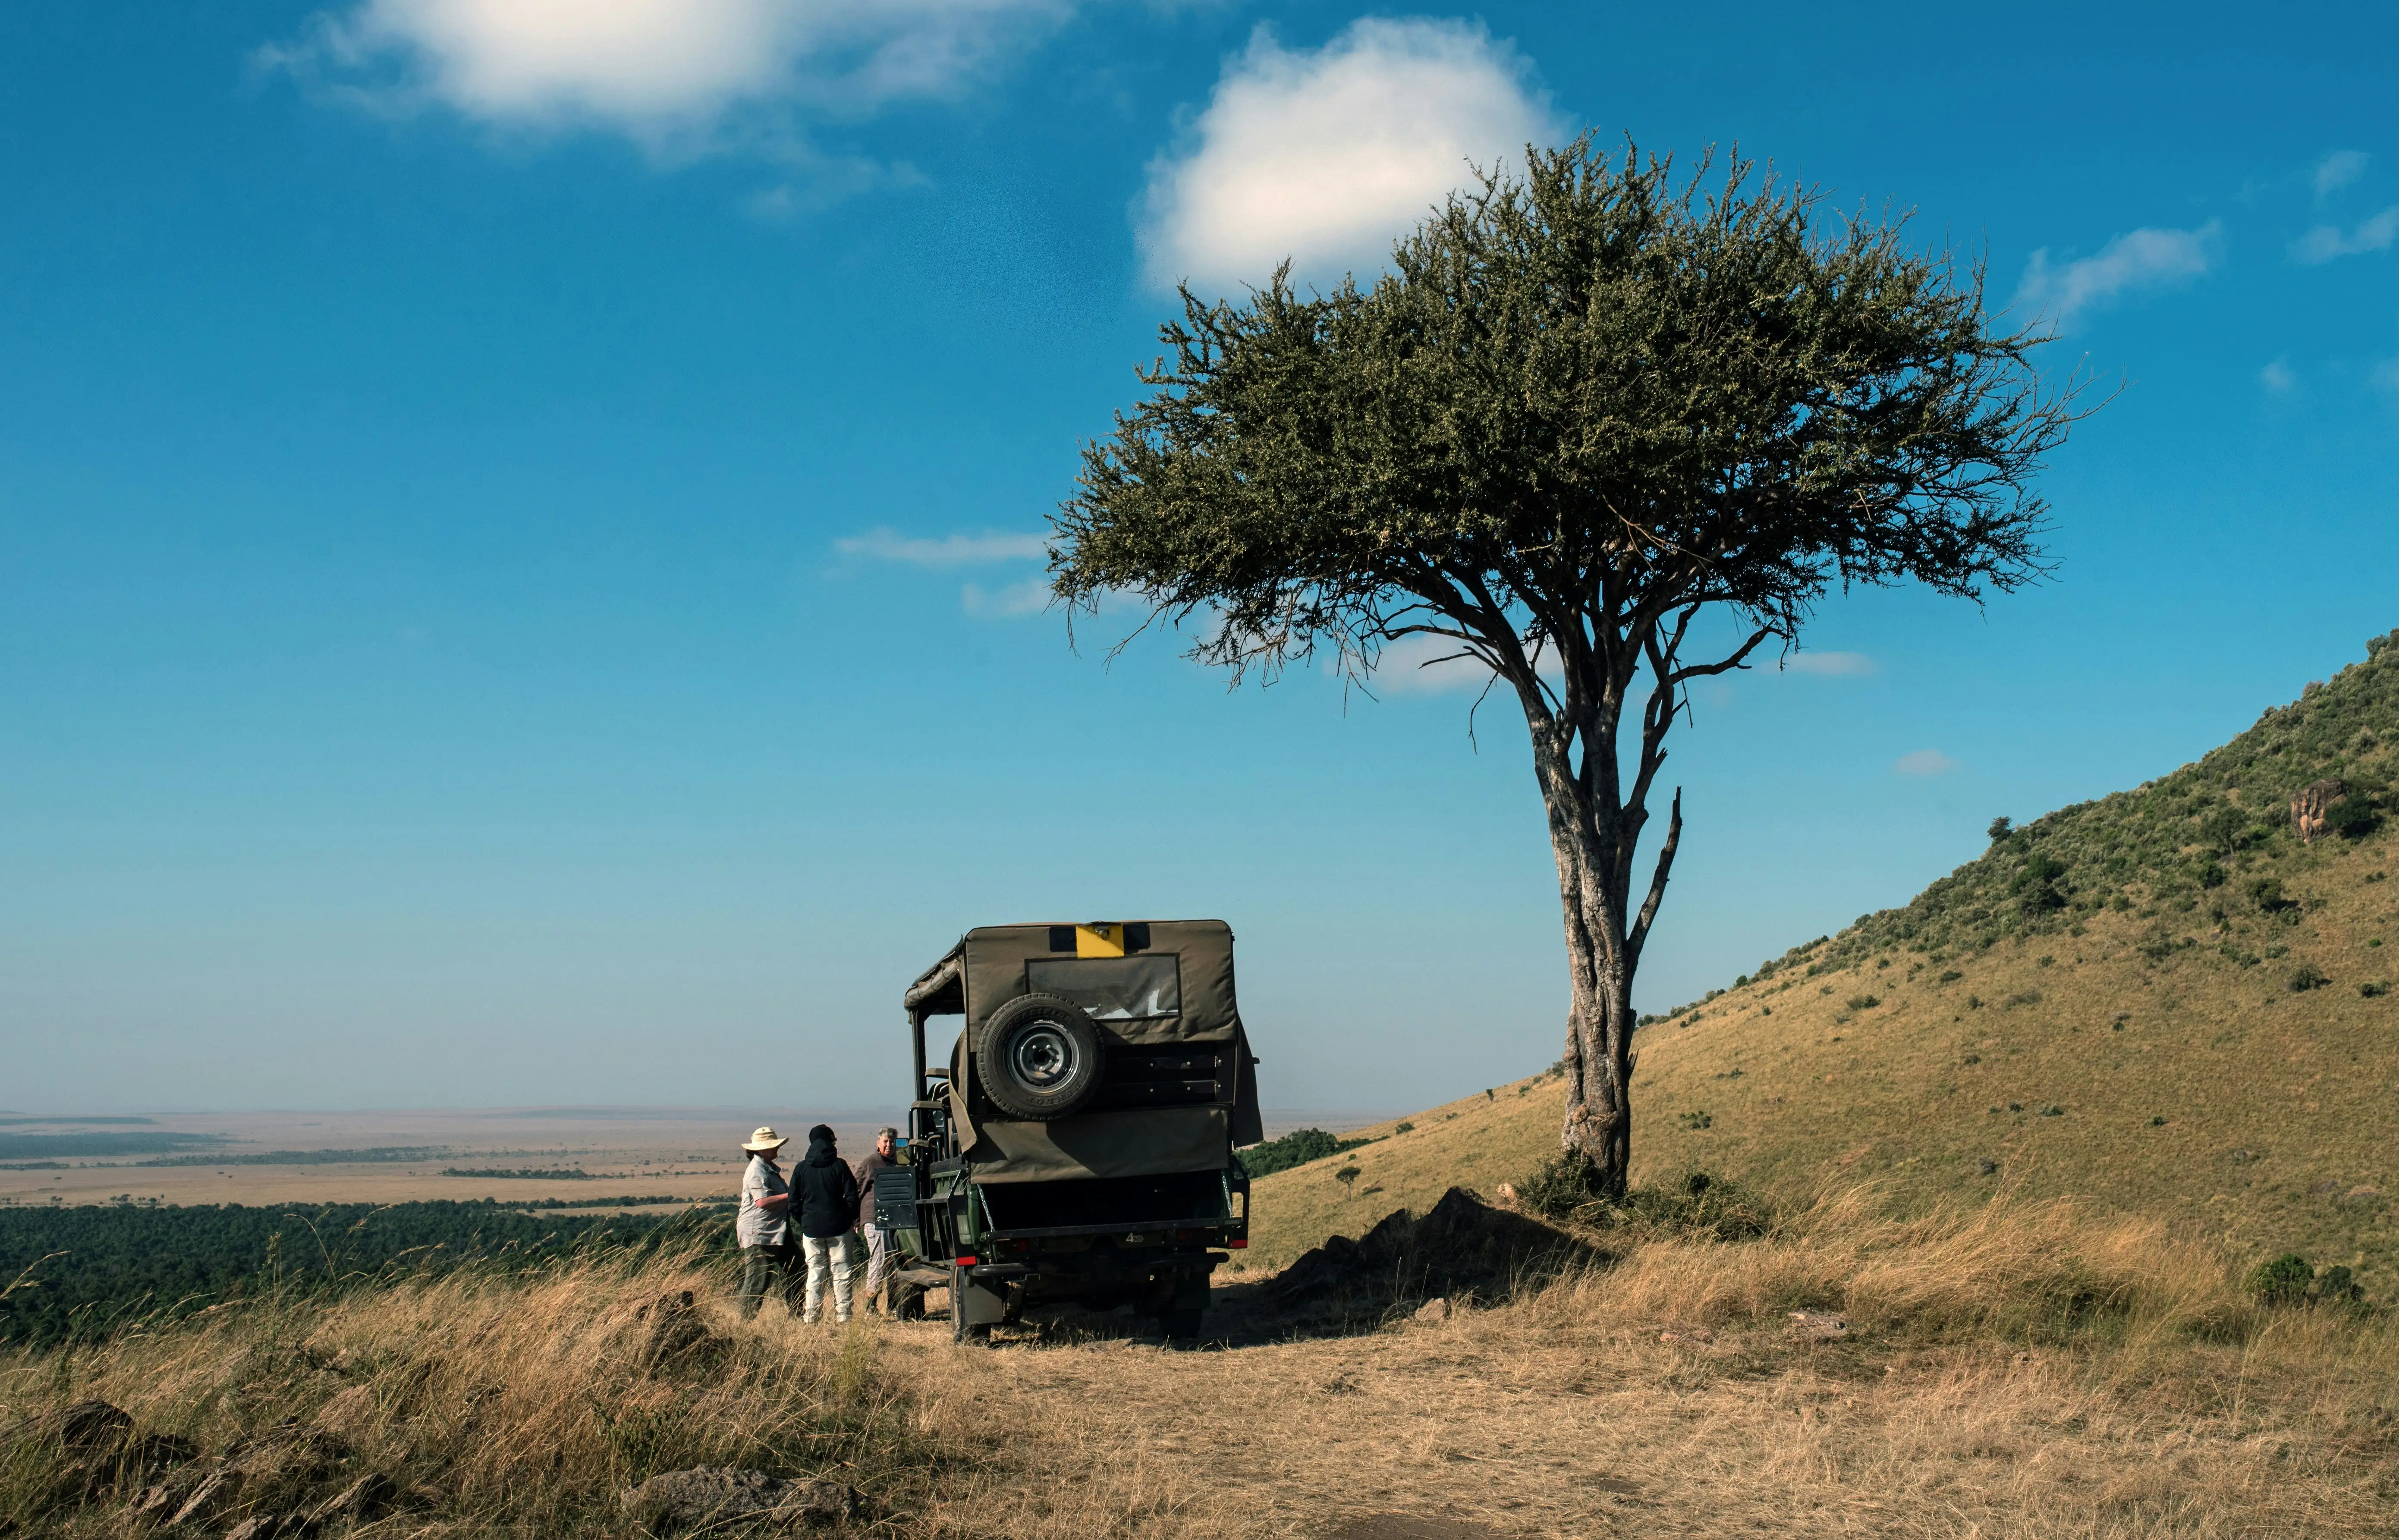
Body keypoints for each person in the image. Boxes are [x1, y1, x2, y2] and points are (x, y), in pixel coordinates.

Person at [791, 1123, 861, 1325]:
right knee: (842, 1272)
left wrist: (805, 1221)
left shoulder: (801, 1168)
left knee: (815, 1273)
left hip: (812, 1229)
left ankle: (812, 1317)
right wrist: (847, 1218)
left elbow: (793, 1203)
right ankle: (844, 1316)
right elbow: (853, 1196)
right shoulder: (840, 1166)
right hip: (839, 1228)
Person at [734, 1126, 798, 1319]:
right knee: (758, 1278)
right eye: (772, 1146)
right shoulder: (756, 1171)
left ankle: (797, 1313)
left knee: (798, 1268)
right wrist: (792, 1195)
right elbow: (762, 1202)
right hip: (761, 1232)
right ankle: (745, 1322)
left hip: (776, 1230)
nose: (776, 1149)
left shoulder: (767, 1169)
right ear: (760, 1150)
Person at [849, 1126, 900, 1315]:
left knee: (895, 1260)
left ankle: (894, 1305)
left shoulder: (898, 1163)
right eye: (886, 1142)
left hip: (896, 1218)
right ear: (878, 1143)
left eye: (892, 1142)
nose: (889, 1145)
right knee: (879, 1258)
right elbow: (855, 1191)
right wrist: (855, 1220)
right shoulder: (870, 1163)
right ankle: (871, 1304)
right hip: (873, 1217)